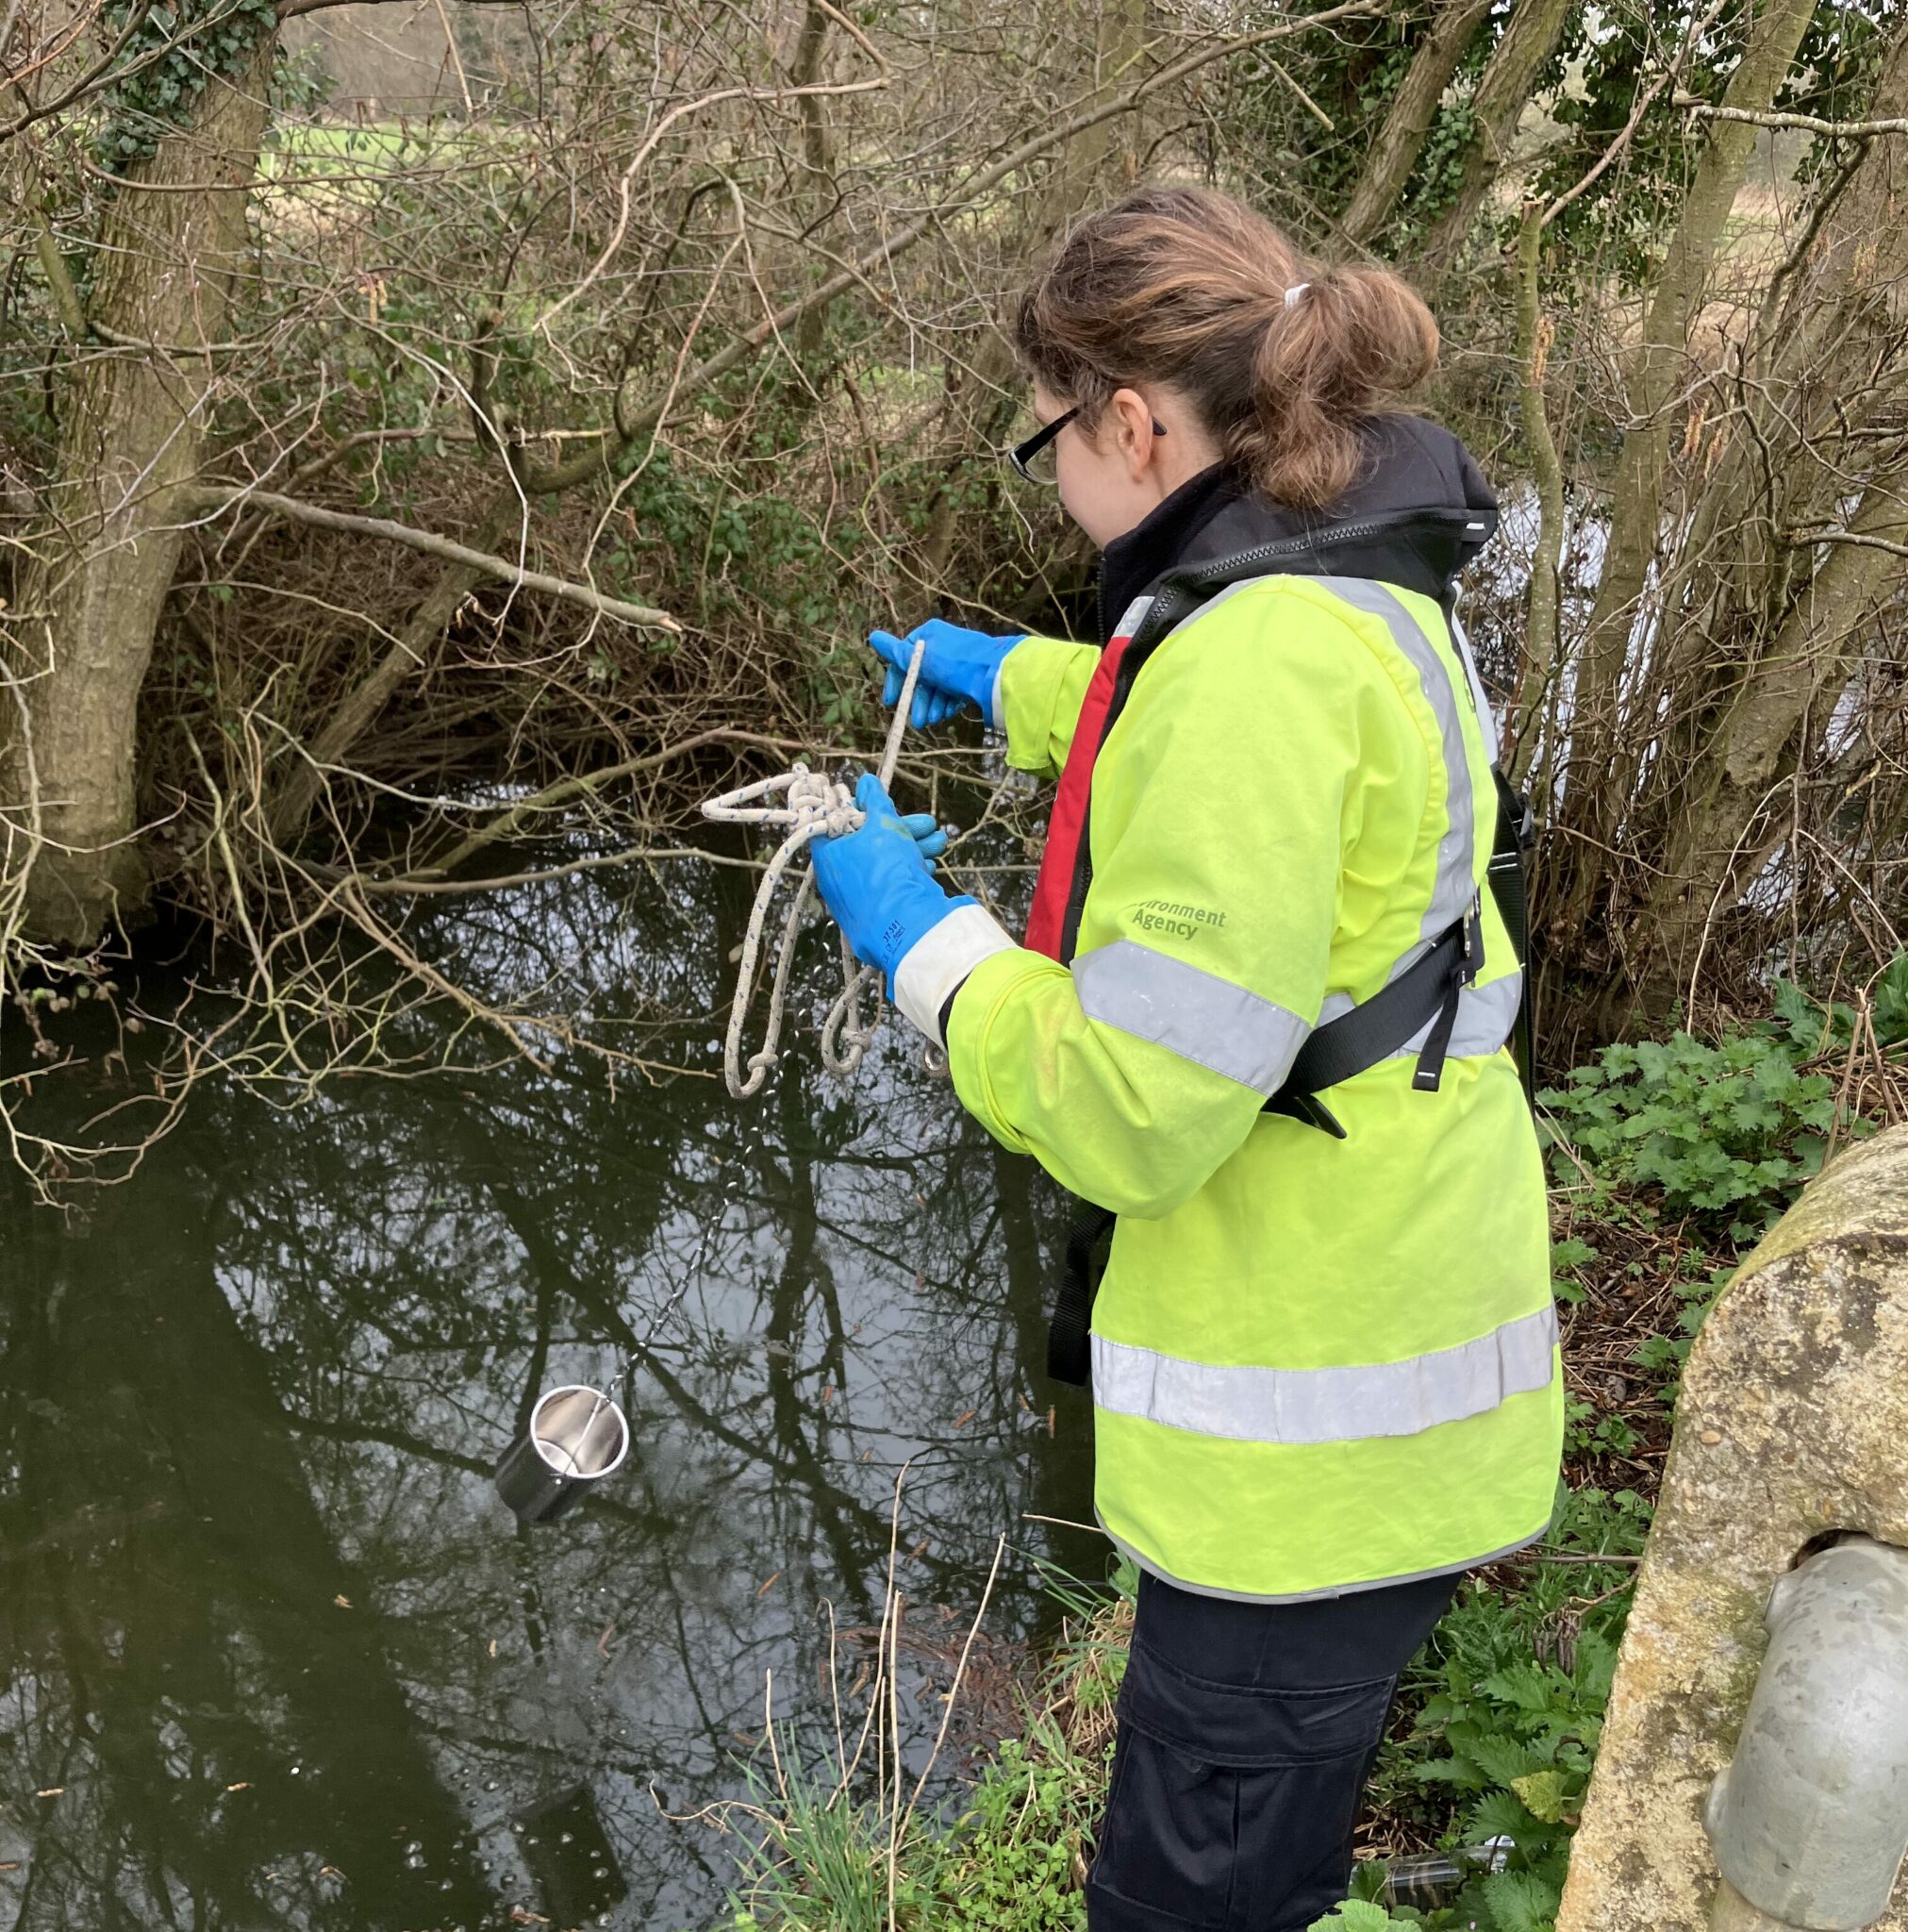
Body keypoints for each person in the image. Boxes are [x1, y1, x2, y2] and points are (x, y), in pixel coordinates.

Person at [809, 185, 1562, 1932]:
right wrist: (1009, 683)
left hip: (1303, 1468)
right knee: (1265, 1845)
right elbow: (1231, 733)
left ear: (1126, 421)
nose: (1054, 478)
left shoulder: (1259, 661)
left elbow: (1134, 1115)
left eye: (1045, 440)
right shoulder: (1354, 574)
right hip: (1402, 1334)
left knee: (1189, 1896)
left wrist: (925, 945)